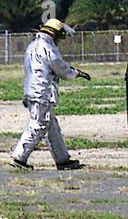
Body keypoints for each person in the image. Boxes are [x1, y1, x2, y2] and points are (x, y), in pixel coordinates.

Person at [10, 19, 89, 171]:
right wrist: (75, 73)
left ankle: (63, 160)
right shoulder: (46, 46)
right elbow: (59, 66)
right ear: (54, 33)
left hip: (32, 91)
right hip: (41, 93)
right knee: (39, 125)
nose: (60, 40)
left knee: (52, 128)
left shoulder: (33, 46)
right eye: (59, 36)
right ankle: (19, 158)